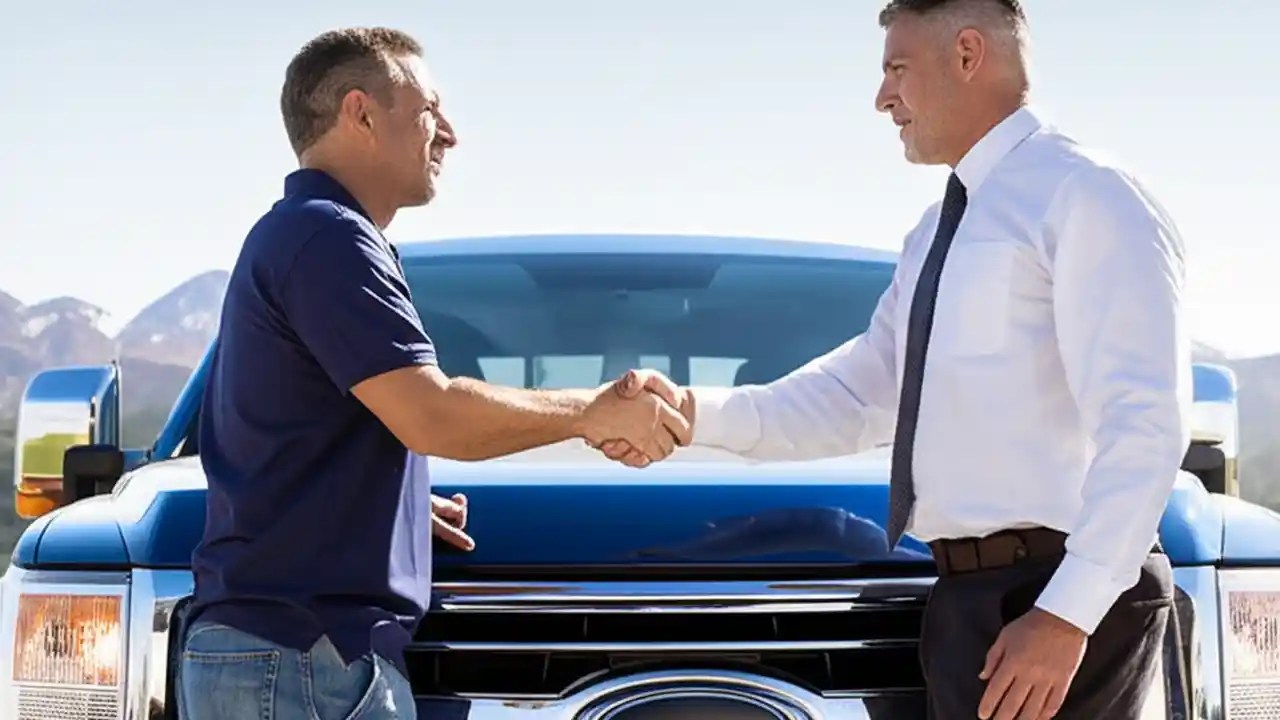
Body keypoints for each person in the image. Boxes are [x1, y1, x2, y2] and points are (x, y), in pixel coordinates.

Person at [603, 1, 1191, 718]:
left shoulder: (1087, 193)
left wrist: (1068, 614)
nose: (883, 98)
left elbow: (1147, 420)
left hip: (1058, 599)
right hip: (964, 600)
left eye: (897, 69)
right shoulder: (936, 233)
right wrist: (692, 414)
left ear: (968, 55)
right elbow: (861, 394)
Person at [178, 27, 690, 720]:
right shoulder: (329, 237)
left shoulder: (307, 234)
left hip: (290, 659)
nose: (448, 133)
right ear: (360, 113)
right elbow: (431, 412)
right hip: (304, 664)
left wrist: (396, 506)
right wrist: (591, 412)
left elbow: (310, 433)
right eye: (429, 110)